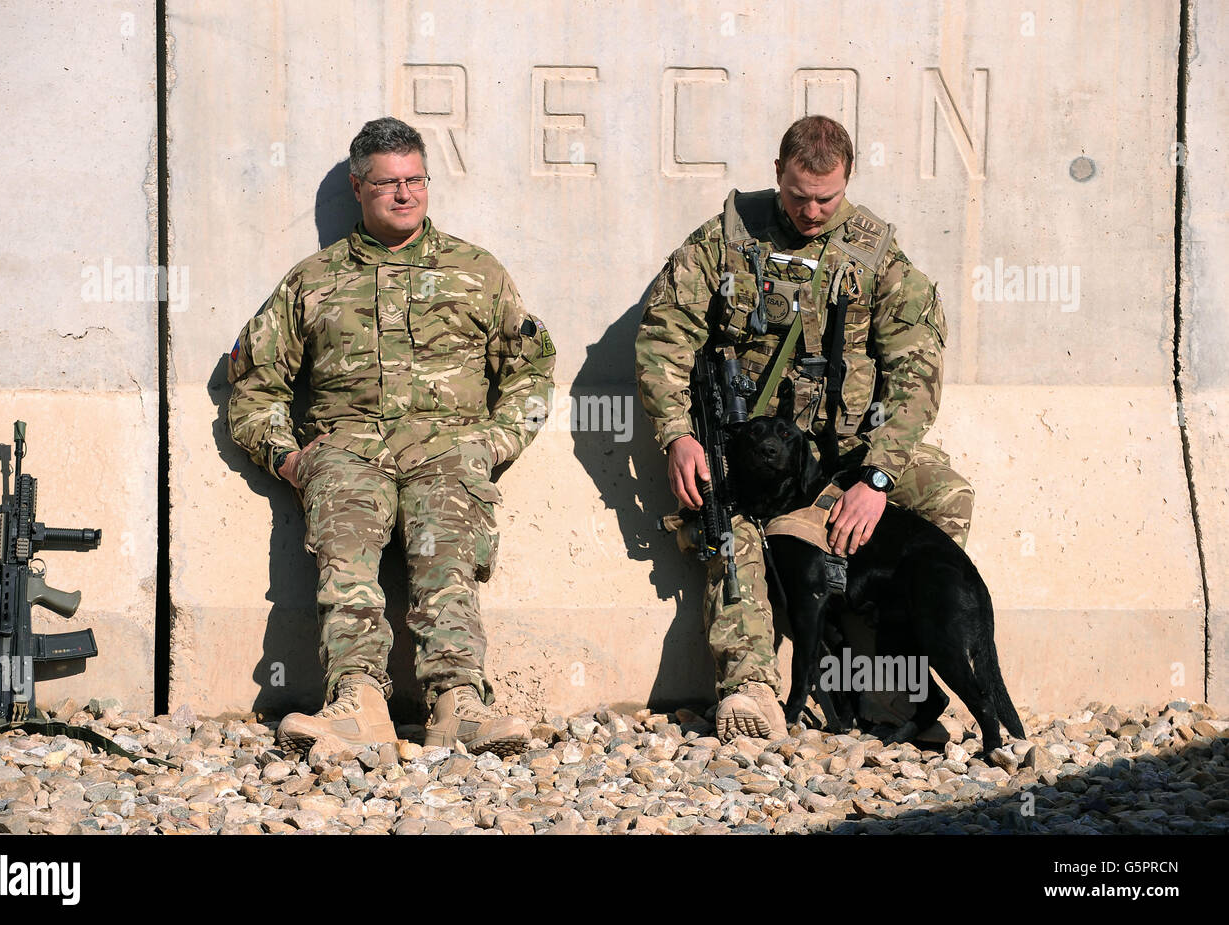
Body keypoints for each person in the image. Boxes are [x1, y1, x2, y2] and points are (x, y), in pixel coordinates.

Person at [635, 115, 972, 742]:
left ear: (847, 182)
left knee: (945, 495)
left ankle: (891, 680)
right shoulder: (725, 242)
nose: (812, 211)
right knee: (723, 525)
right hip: (752, 455)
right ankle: (751, 689)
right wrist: (678, 434)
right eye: (798, 195)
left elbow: (918, 372)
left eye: (827, 197)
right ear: (777, 174)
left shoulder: (874, 256)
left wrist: (877, 475)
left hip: (845, 454)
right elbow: (663, 338)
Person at [227, 117, 556, 757]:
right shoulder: (312, 282)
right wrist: (289, 457)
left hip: (449, 449)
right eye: (387, 184)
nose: (404, 195)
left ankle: (458, 703)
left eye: (415, 181)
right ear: (357, 188)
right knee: (345, 558)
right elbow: (253, 385)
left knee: (448, 560)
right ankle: (358, 703)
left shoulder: (477, 272)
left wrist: (495, 443)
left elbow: (532, 369)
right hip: (347, 451)